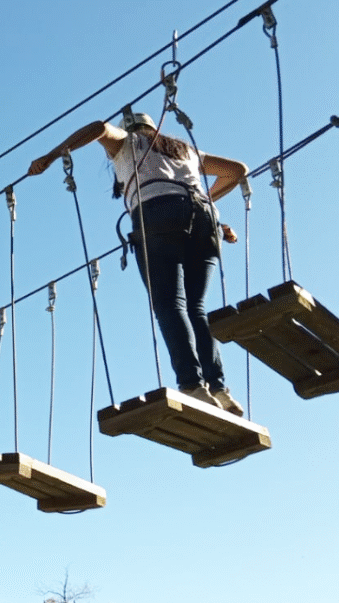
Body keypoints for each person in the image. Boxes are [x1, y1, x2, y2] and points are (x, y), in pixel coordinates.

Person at [27, 112, 247, 416]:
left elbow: (98, 127)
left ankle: (193, 385)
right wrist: (207, 203)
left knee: (170, 305)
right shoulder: (186, 150)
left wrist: (52, 155)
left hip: (157, 216)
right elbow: (237, 171)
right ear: (154, 127)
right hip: (204, 222)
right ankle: (219, 389)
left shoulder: (128, 142)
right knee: (196, 308)